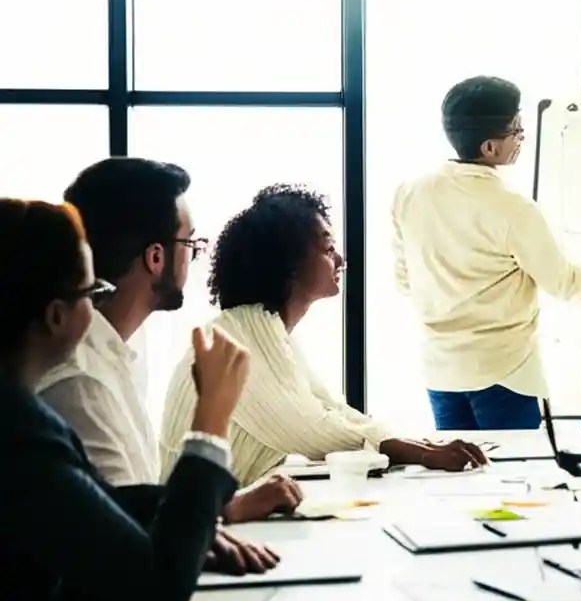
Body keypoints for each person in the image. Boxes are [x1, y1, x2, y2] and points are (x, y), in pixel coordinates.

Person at [0, 197, 251, 601]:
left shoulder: (18, 415)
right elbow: (156, 590)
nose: (97, 308)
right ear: (56, 315)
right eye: (90, 293)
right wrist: (212, 419)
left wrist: (195, 517)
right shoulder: (18, 432)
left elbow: (91, 503)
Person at [160, 184, 489, 485]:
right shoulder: (239, 336)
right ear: (287, 262)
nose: (341, 259)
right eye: (328, 248)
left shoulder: (265, 329)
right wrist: (419, 452)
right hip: (196, 528)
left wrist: (419, 444)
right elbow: (312, 430)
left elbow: (334, 409)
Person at [39, 158, 301, 528]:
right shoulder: (81, 383)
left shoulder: (115, 353)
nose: (195, 254)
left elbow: (132, 505)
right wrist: (213, 409)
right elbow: (131, 544)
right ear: (156, 257)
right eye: (191, 242)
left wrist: (225, 509)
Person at [391, 75, 581, 431]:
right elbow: (569, 285)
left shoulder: (408, 194)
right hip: (505, 374)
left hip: (441, 372)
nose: (521, 138)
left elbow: (405, 281)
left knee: (458, 482)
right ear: (489, 148)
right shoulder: (511, 209)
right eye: (516, 130)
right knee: (519, 481)